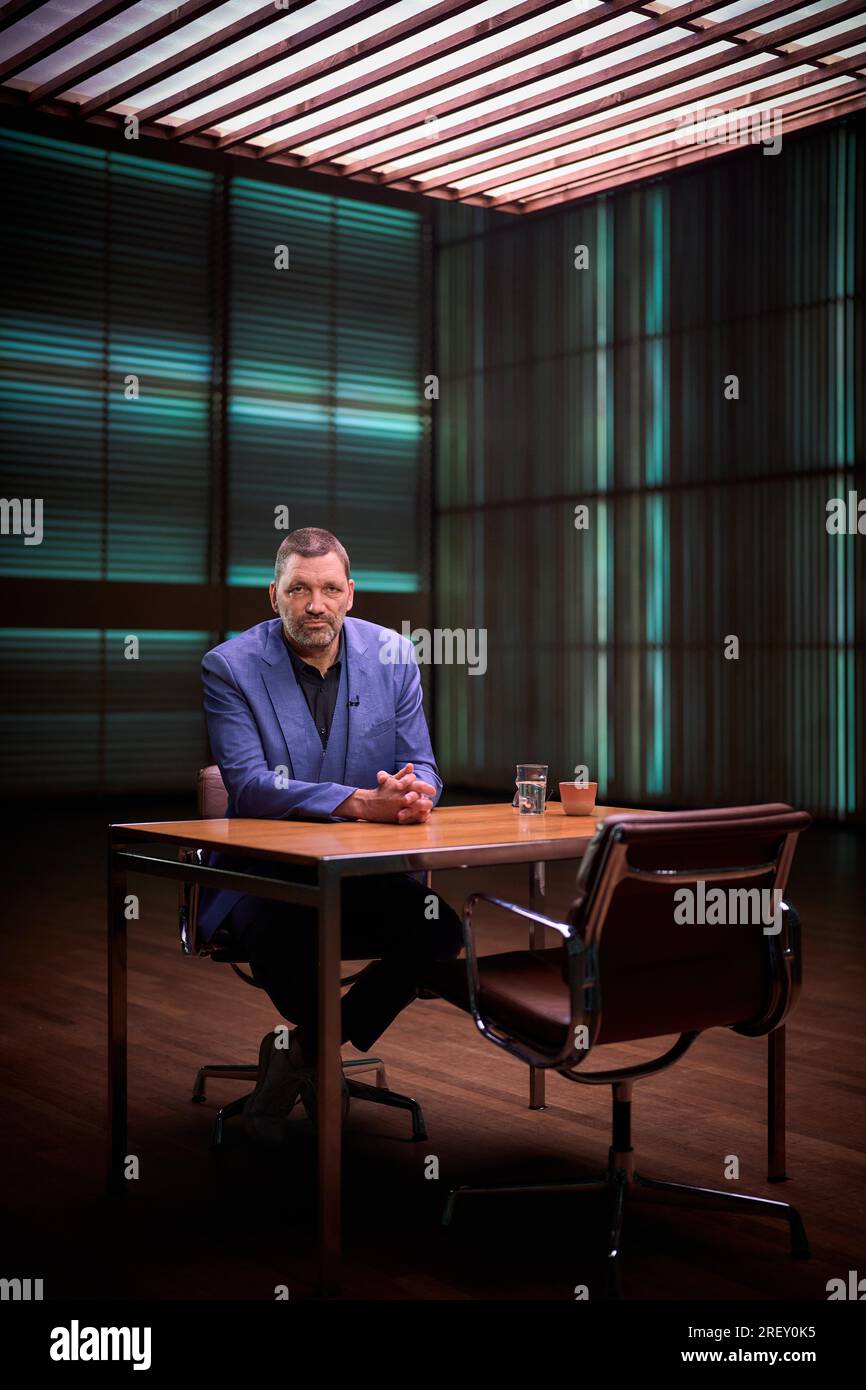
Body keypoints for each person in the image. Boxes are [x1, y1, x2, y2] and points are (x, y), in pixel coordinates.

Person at [199, 527, 462, 1142]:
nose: (314, 604)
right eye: (298, 589)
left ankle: (303, 1056)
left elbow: (422, 764)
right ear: (274, 596)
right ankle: (318, 1056)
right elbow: (249, 785)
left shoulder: (393, 654)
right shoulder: (229, 666)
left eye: (328, 589)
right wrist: (359, 803)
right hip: (265, 877)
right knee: (290, 945)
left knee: (440, 931)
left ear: (350, 594)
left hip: (363, 874)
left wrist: (416, 793)